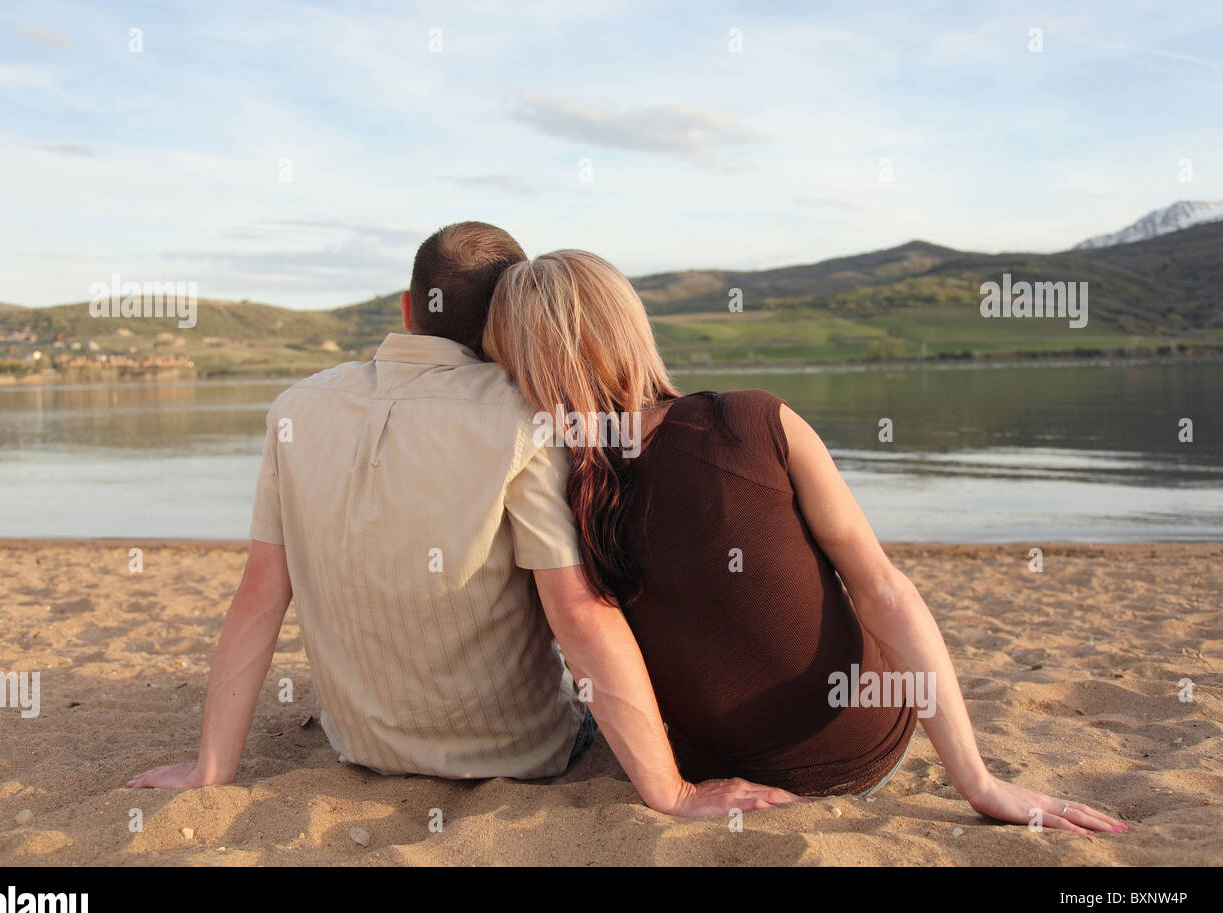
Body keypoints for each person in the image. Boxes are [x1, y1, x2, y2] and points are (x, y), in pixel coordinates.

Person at [127, 223, 799, 819]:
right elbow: (577, 613)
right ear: (512, 318)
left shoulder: (295, 407)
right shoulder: (524, 415)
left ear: (406, 307)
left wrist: (210, 769)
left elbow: (260, 594)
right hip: (520, 752)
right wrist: (673, 793)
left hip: (361, 748)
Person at [483, 249, 1128, 834]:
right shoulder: (755, 418)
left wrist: (672, 794)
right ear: (631, 327)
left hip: (710, 768)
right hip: (863, 747)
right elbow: (882, 589)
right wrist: (979, 783)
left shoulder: (550, 483)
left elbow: (586, 630)